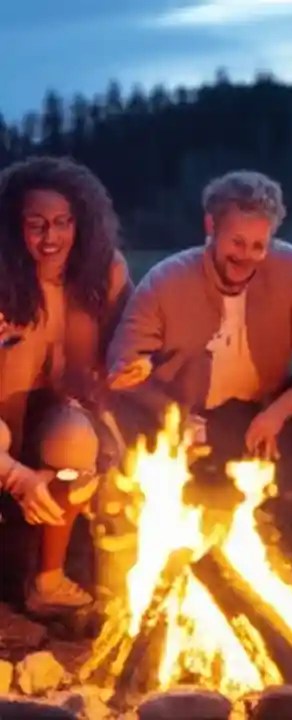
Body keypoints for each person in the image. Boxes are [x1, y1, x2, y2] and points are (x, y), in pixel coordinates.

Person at [105, 170, 292, 619]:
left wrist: (277, 414)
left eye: (258, 246)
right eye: (236, 242)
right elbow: (121, 370)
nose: (246, 257)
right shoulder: (167, 280)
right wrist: (162, 400)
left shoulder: (290, 268)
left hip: (266, 410)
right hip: (200, 421)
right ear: (211, 227)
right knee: (209, 477)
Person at [0, 156, 132, 614]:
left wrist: (133, 365)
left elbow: (128, 341)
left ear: (83, 224)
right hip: (1, 417)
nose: (49, 237)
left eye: (62, 223)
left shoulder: (104, 273)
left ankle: (49, 579)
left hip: (63, 407)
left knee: (76, 443)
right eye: (35, 224)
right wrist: (14, 475)